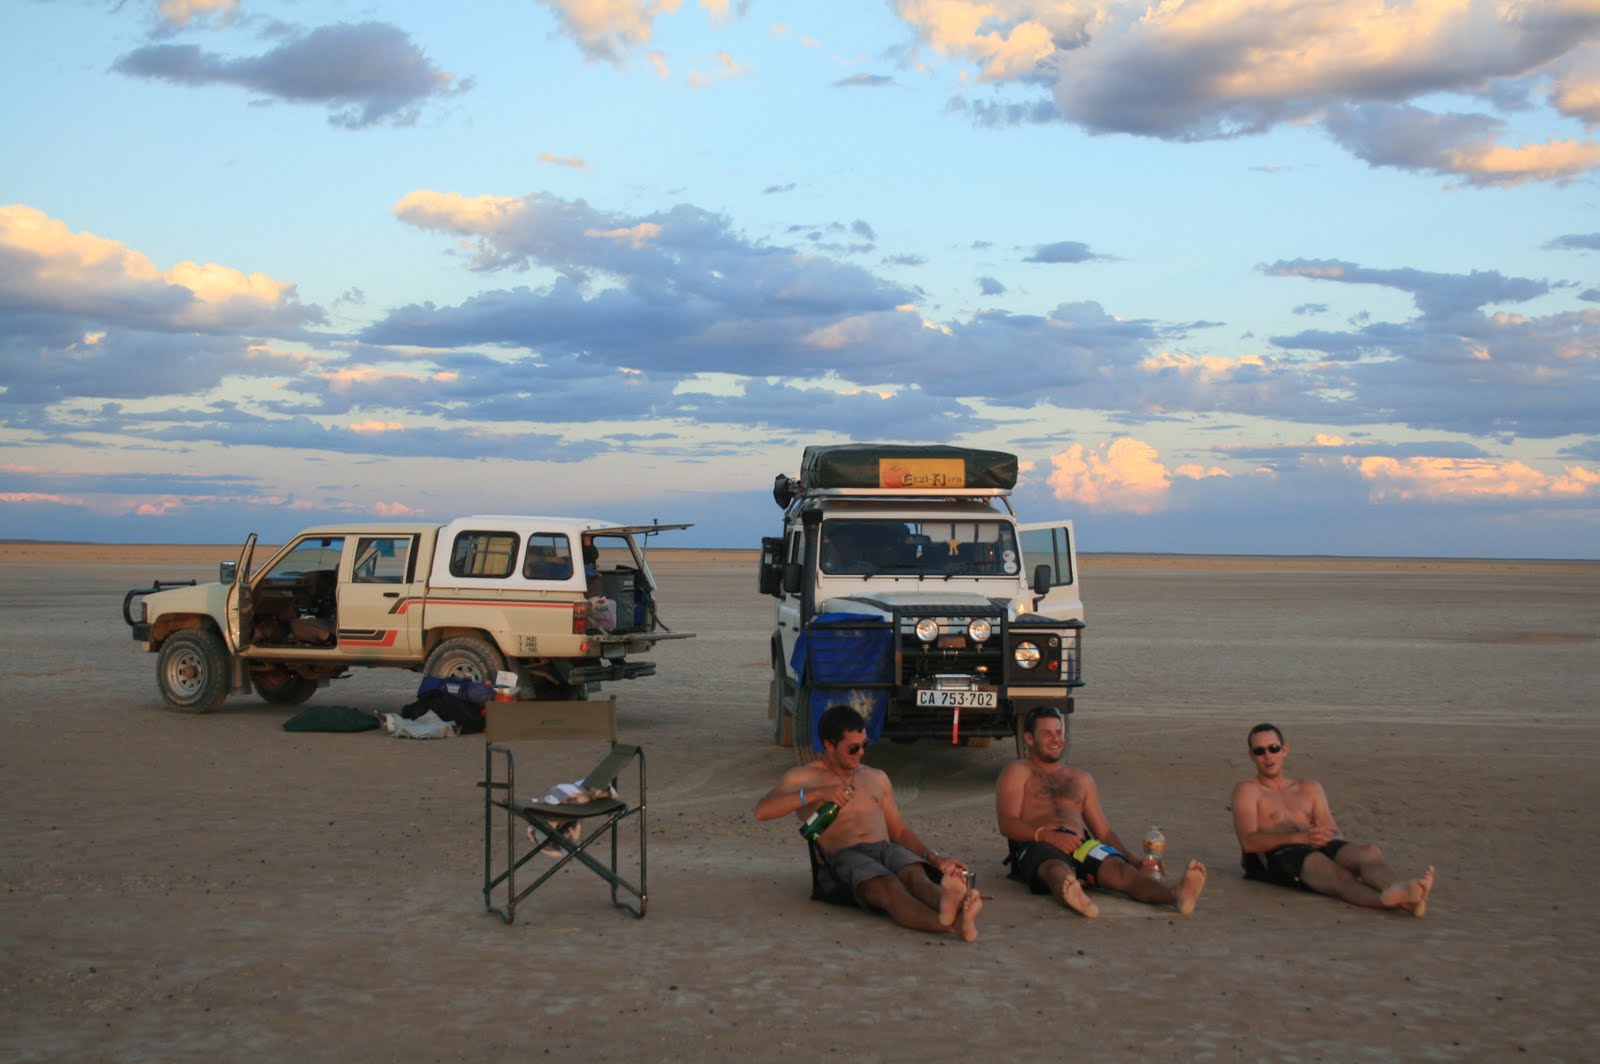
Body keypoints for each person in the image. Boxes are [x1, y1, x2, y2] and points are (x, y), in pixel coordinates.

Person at [755, 704, 983, 941]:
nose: (861, 753)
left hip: (886, 848)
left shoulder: (875, 777)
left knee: (916, 878)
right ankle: (955, 924)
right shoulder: (804, 777)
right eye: (853, 748)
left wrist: (935, 858)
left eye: (864, 745)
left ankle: (950, 907)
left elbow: (899, 830)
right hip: (846, 855)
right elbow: (762, 811)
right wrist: (816, 794)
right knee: (890, 888)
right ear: (828, 745)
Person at [995, 706, 1206, 916]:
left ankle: (1176, 894)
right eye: (1046, 734)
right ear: (1030, 739)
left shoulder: (1081, 778)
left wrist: (1134, 861)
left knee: (1122, 871)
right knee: (1057, 870)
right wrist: (1047, 836)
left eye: (1059, 733)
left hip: (1080, 844)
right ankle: (1075, 896)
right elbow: (1007, 822)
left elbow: (1103, 832)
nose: (1055, 739)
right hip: (1038, 843)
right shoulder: (1018, 771)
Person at [1231, 722, 1434, 915]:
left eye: (1273, 748)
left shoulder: (1310, 788)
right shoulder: (1248, 790)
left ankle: (1401, 893)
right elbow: (1248, 842)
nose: (1268, 756)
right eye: (1260, 751)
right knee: (1338, 874)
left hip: (1314, 843)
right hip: (1278, 854)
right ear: (1252, 756)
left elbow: (1335, 832)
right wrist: (1300, 838)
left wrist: (1322, 835)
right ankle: (1392, 901)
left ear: (1285, 750)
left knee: (1369, 852)